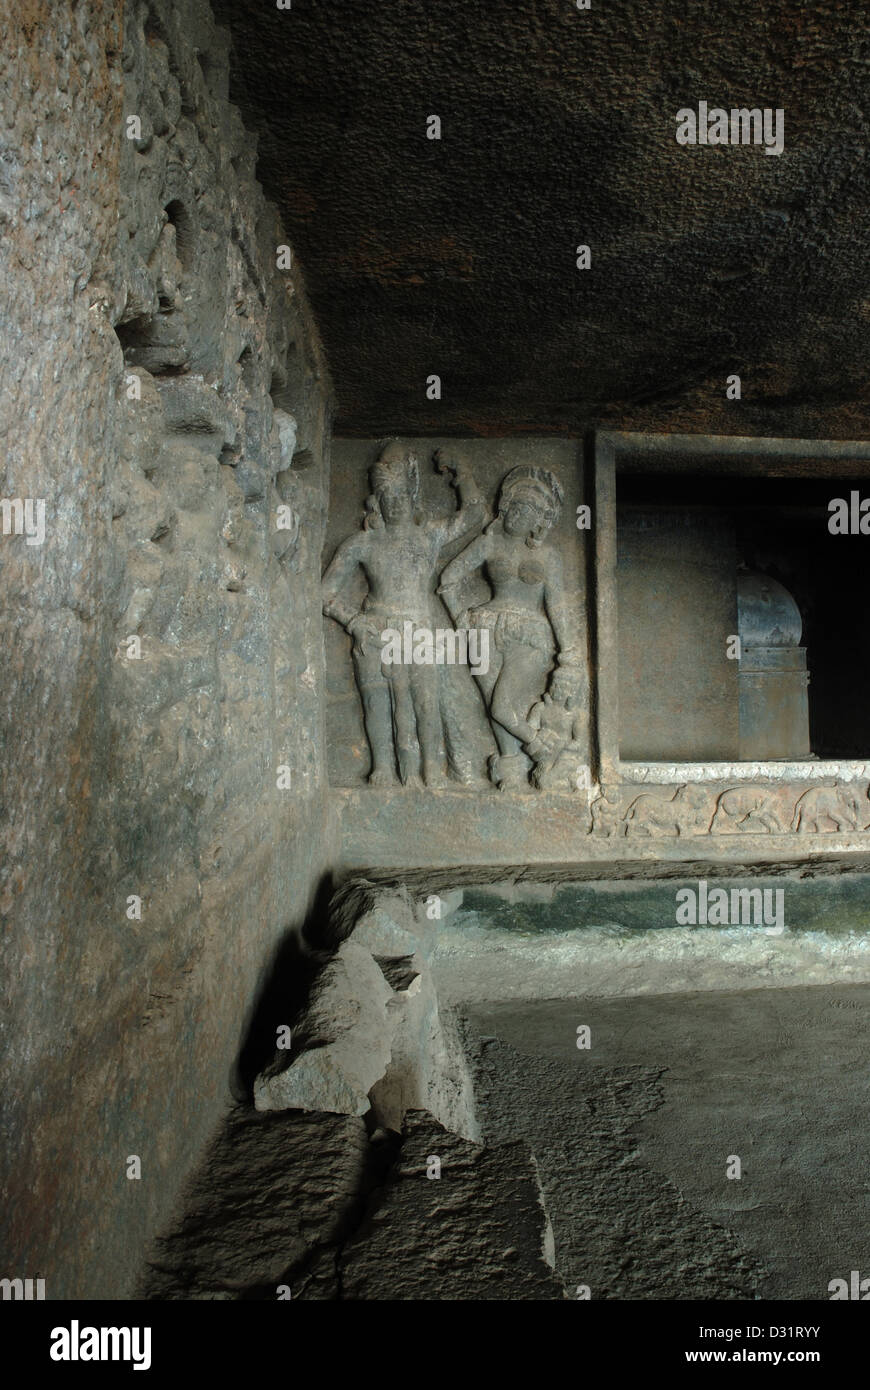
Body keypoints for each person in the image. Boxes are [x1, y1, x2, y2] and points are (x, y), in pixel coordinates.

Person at [322, 441, 487, 787]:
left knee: (426, 705)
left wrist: (463, 473)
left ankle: (431, 770)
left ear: (413, 497)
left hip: (419, 630)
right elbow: (324, 593)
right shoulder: (361, 543)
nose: (395, 503)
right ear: (377, 502)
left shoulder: (429, 535)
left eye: (401, 495)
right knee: (377, 704)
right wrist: (353, 621)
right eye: (388, 497)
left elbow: (475, 514)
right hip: (375, 632)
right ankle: (382, 768)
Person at [438, 465, 585, 789]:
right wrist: (460, 618)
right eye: (517, 506)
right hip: (482, 629)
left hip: (530, 634)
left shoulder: (548, 556)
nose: (520, 515)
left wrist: (570, 652)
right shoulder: (488, 544)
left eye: (529, 511)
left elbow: (557, 607)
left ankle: (542, 750)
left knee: (502, 707)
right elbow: (448, 578)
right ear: (506, 506)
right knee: (494, 707)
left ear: (540, 522)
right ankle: (513, 773)